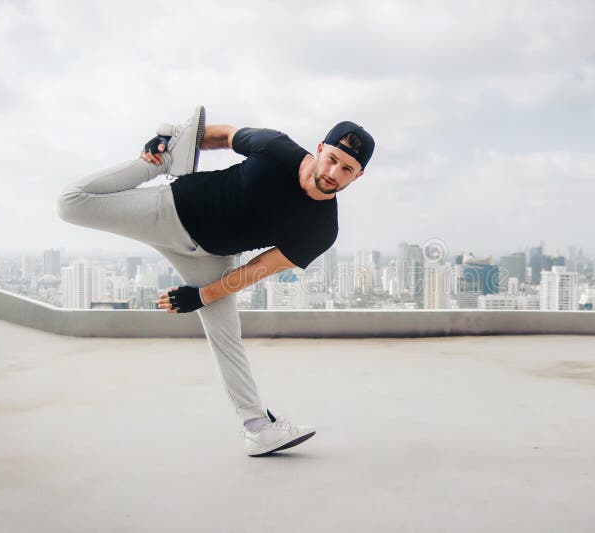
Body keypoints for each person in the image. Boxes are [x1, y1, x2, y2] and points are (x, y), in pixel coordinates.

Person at [56, 105, 375, 456]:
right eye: (332, 159)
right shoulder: (275, 148)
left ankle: (257, 427)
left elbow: (258, 268)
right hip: (168, 212)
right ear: (321, 149)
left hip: (213, 260)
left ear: (358, 176)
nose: (333, 173)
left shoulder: (322, 229)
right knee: (70, 203)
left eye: (347, 169)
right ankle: (160, 164)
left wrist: (202, 296)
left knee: (227, 336)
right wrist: (166, 145)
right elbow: (223, 135)